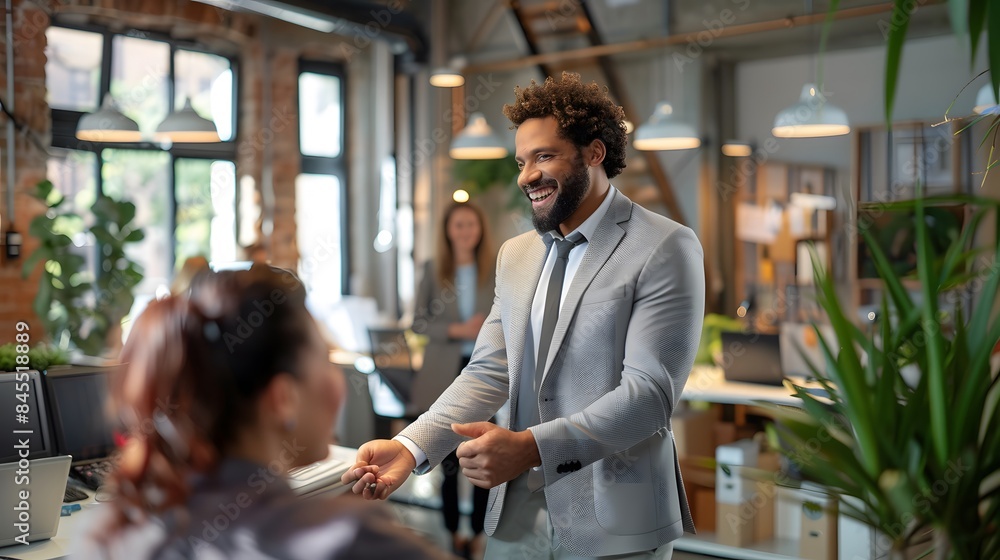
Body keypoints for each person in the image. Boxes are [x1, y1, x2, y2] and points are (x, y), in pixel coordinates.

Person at [343, 71, 706, 559]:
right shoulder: (516, 255)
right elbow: (491, 369)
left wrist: (530, 448)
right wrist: (410, 447)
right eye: (521, 161)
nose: (526, 176)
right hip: (515, 517)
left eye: (544, 156)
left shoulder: (664, 246)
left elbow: (649, 397)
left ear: (594, 153)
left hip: (616, 519)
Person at [74, 266, 448, 559]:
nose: (336, 380)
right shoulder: (349, 541)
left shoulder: (114, 530)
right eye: (325, 360)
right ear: (282, 399)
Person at [413, 201, 496, 558]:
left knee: (483, 457)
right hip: (443, 375)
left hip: (486, 373)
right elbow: (418, 323)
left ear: (480, 229)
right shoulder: (434, 270)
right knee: (447, 461)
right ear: (448, 230)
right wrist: (457, 329)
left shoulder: (494, 267)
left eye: (471, 225)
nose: (465, 231)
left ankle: (478, 532)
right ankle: (451, 534)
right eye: (458, 225)